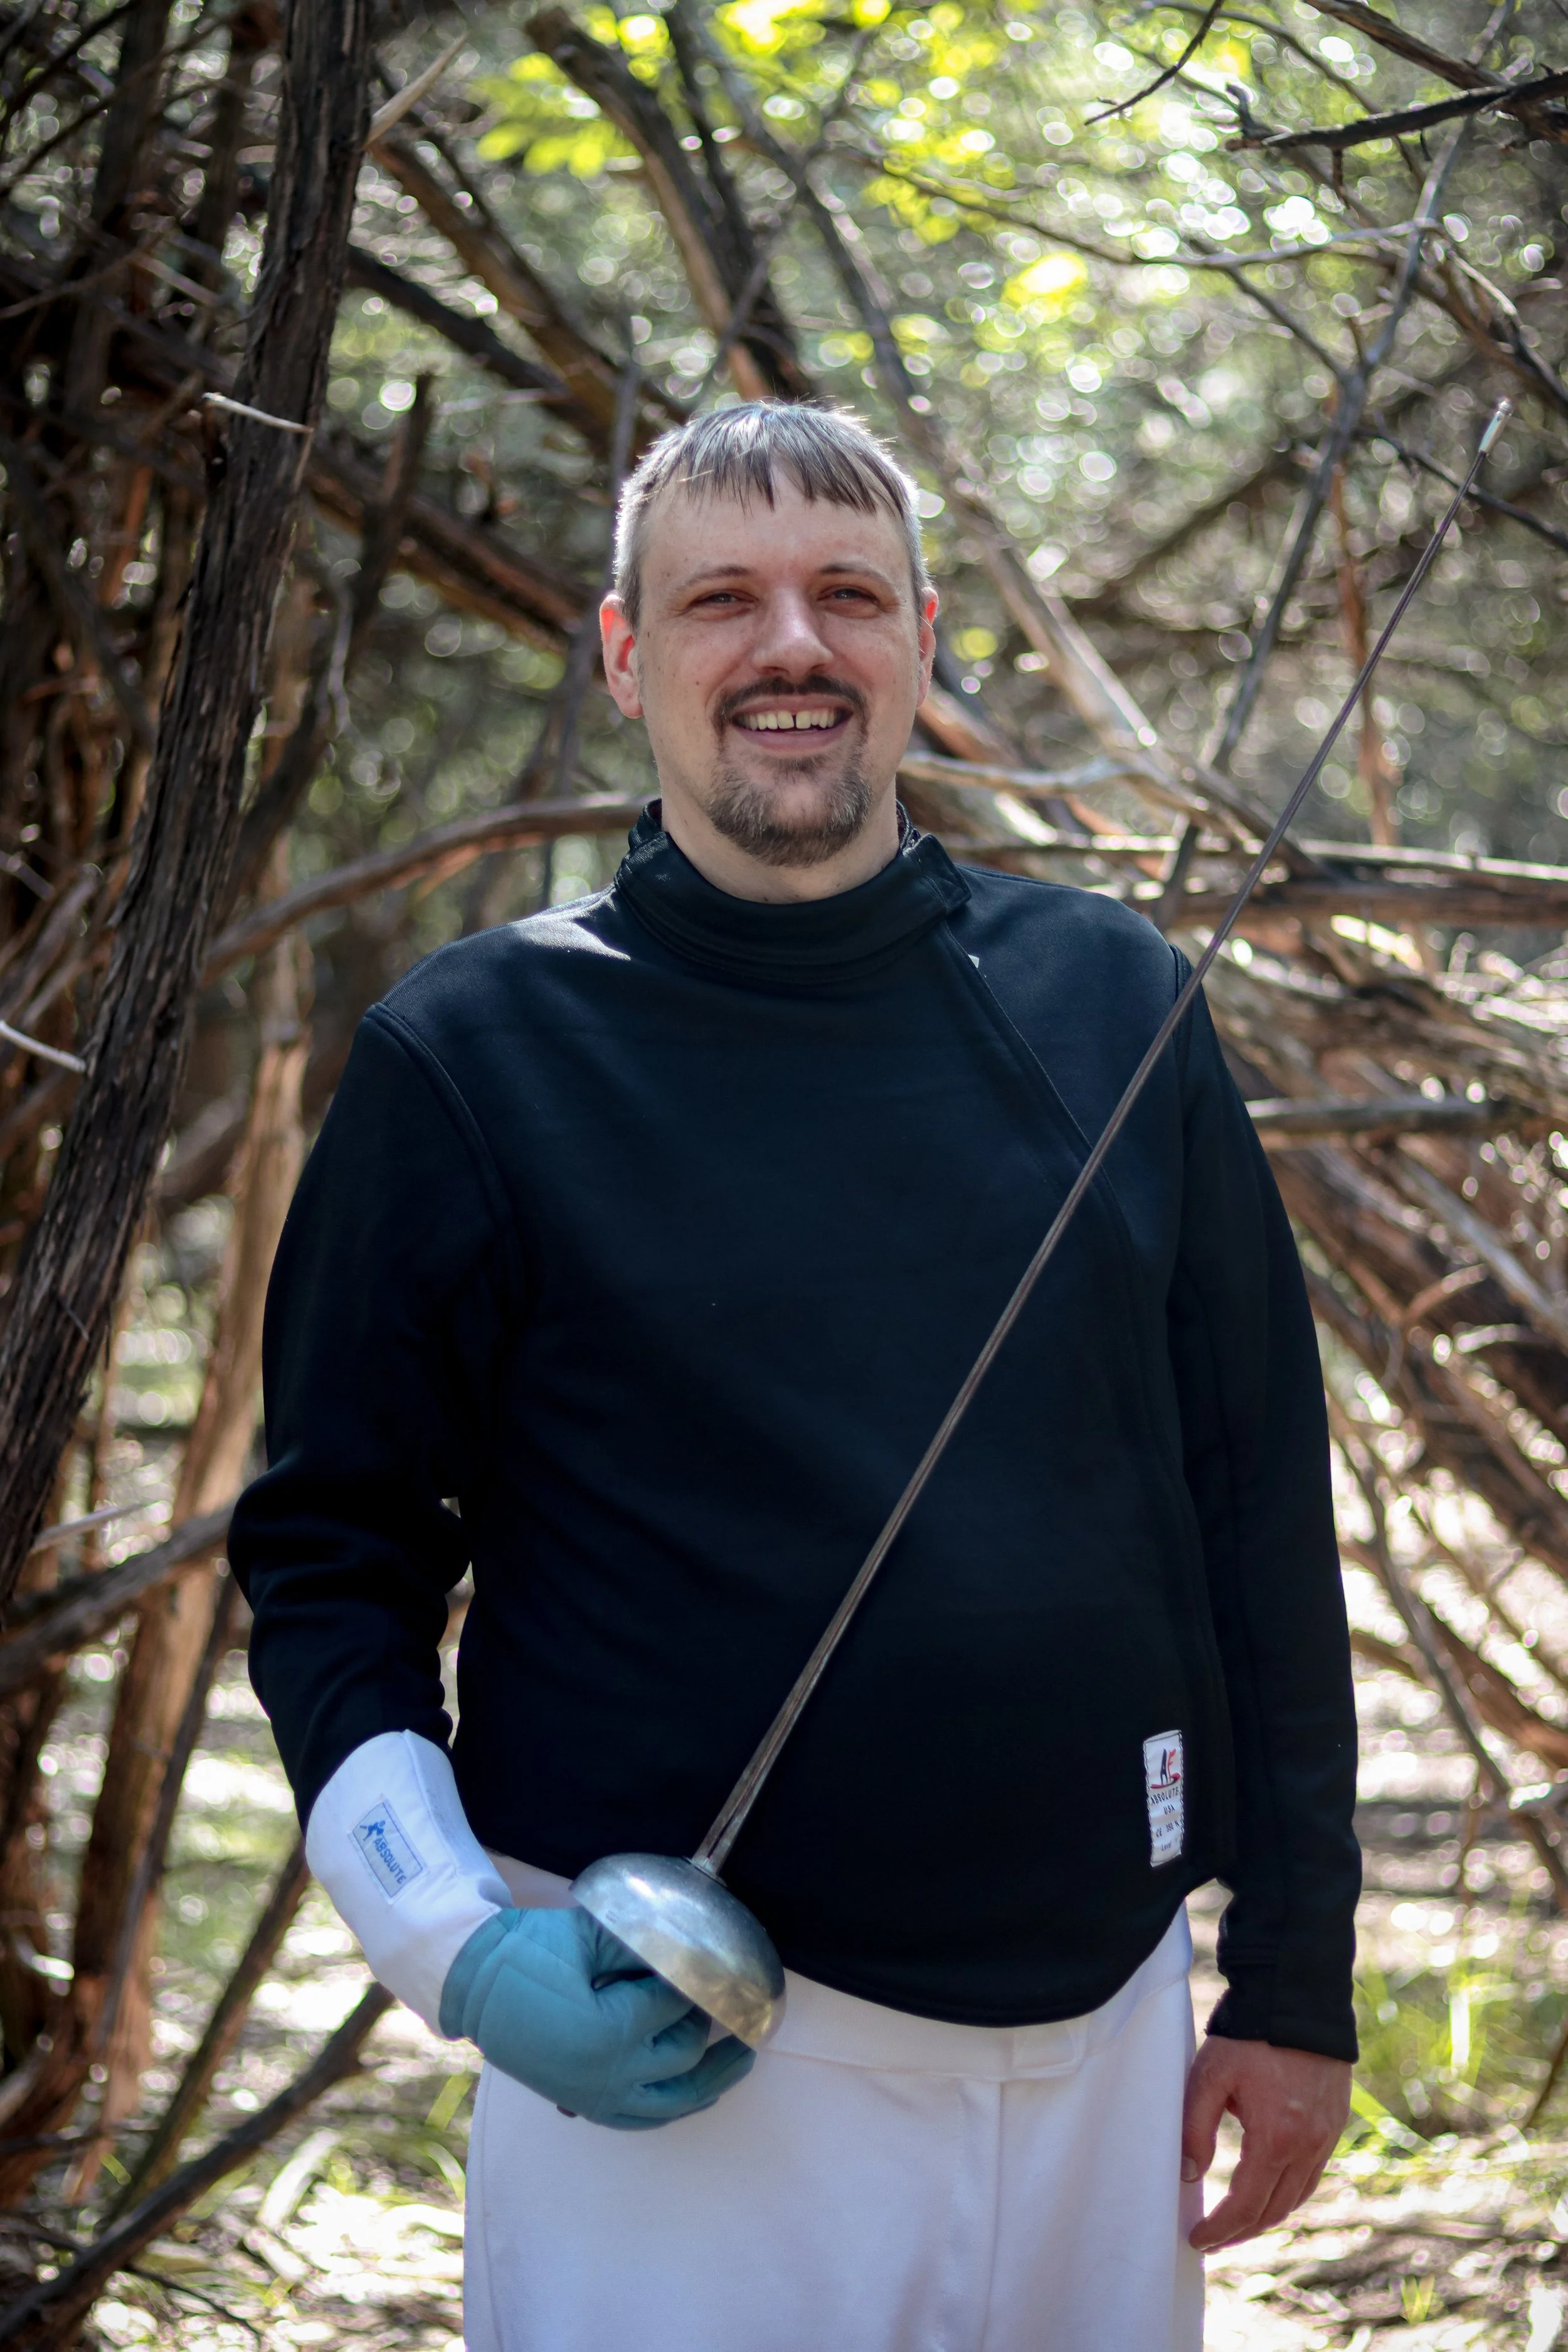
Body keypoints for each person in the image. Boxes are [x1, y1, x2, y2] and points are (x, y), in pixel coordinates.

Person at [231, 402, 1360, 2352]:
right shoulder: (475, 1055)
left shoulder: (1115, 1001)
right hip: (684, 2068)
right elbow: (331, 1552)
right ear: (622, 653)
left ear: (919, 640)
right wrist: (454, 1945)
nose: (790, 646)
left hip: (1103, 2048)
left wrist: (1295, 1976)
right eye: (719, 599)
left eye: (846, 594)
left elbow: (1254, 1497)